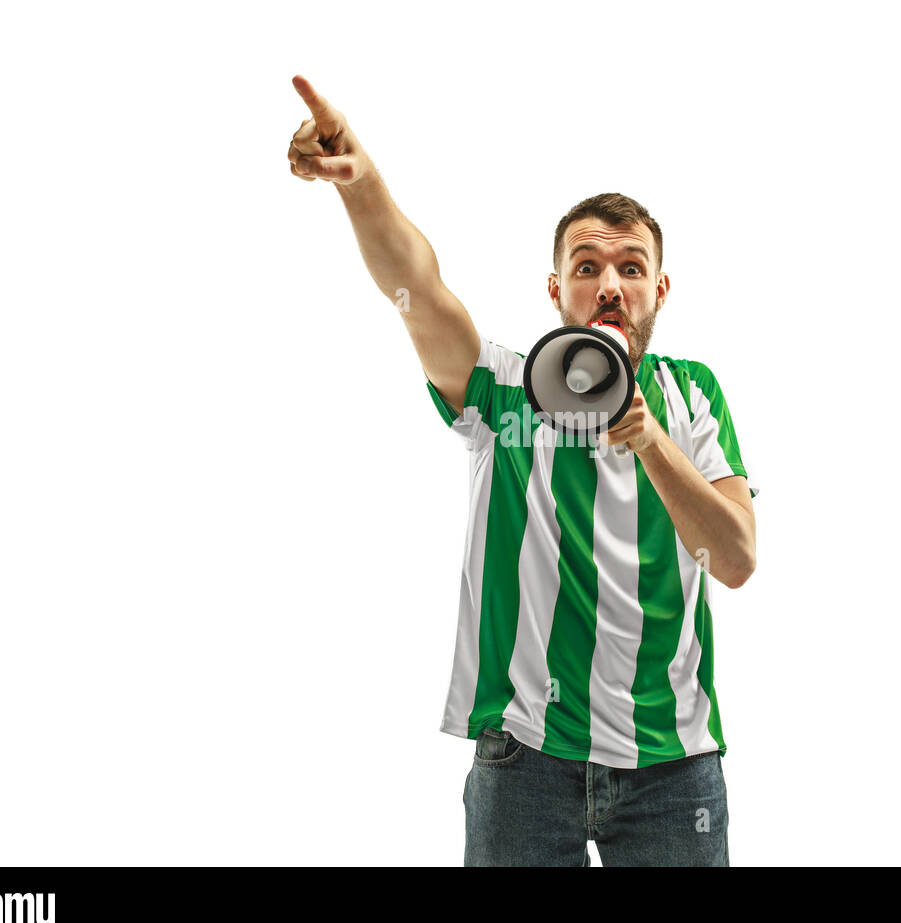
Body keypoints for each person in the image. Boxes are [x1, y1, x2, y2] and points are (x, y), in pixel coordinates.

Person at [287, 75, 758, 866]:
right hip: (526, 761)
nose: (610, 284)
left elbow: (736, 558)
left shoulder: (693, 394)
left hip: (673, 767)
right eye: (587, 266)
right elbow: (419, 290)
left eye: (632, 267)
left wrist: (647, 441)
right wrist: (361, 186)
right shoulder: (500, 390)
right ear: (556, 290)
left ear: (659, 290)